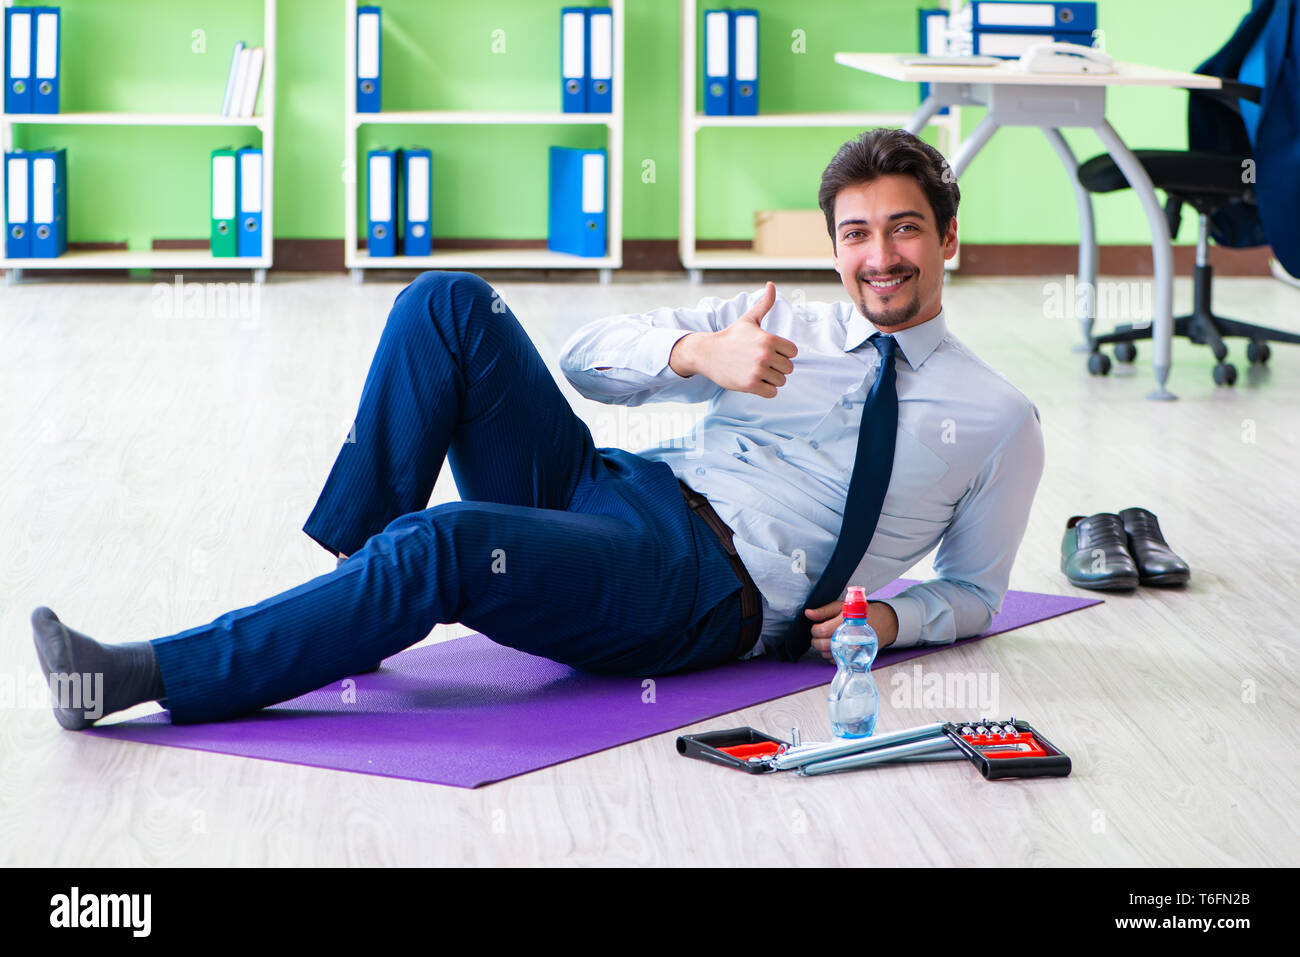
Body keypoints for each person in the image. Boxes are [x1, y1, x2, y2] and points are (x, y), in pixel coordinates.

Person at [31, 128, 1043, 730]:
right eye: (856, 234)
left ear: (946, 236)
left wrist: (898, 621)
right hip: (617, 488)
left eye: (905, 228)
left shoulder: (997, 418)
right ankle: (354, 588)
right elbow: (586, 356)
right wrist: (694, 356)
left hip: (701, 588)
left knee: (446, 545)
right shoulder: (784, 320)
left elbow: (975, 592)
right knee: (447, 301)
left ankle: (144, 675)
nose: (880, 256)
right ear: (833, 247)